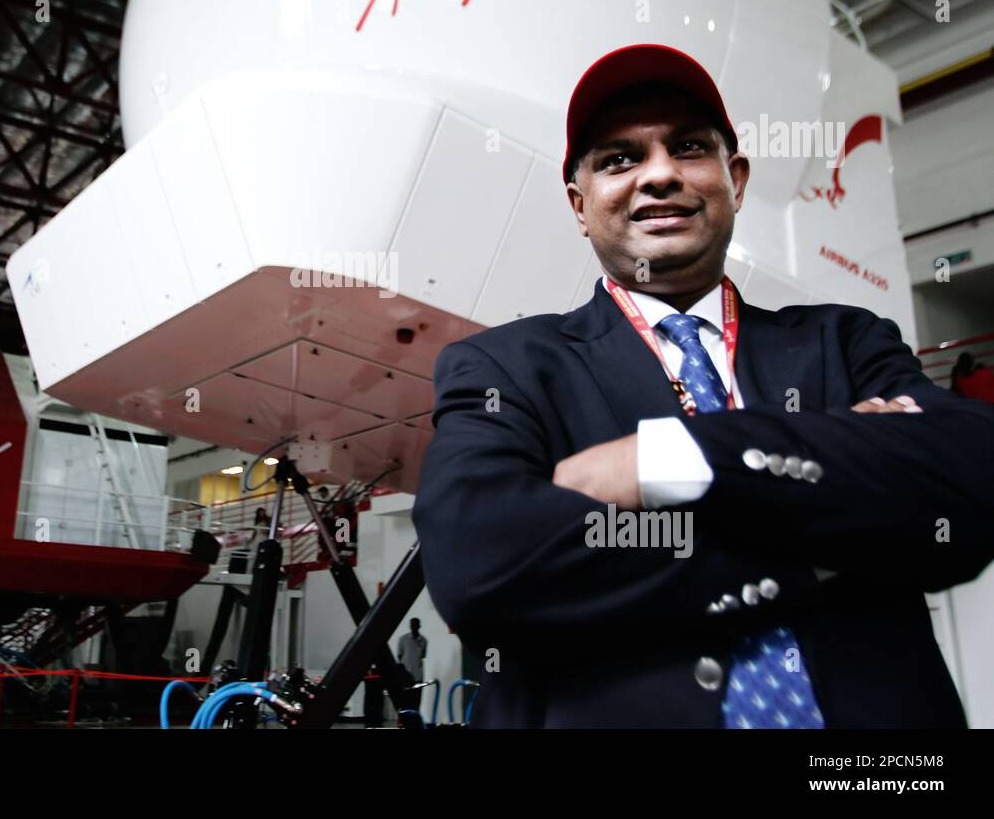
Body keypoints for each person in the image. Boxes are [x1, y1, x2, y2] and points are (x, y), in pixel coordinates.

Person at [413, 44, 994, 728]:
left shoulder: (845, 340)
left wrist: (674, 457)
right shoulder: (502, 367)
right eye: (619, 159)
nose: (660, 174)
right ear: (579, 204)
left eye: (688, 147)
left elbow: (970, 479)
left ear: (735, 180)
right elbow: (480, 564)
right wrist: (823, 539)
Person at [396, 617, 427, 685]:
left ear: (419, 626)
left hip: (418, 676)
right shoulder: (403, 639)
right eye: (412, 625)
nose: (413, 627)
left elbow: (423, 656)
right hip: (406, 676)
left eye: (415, 625)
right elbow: (399, 655)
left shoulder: (423, 640)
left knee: (418, 691)